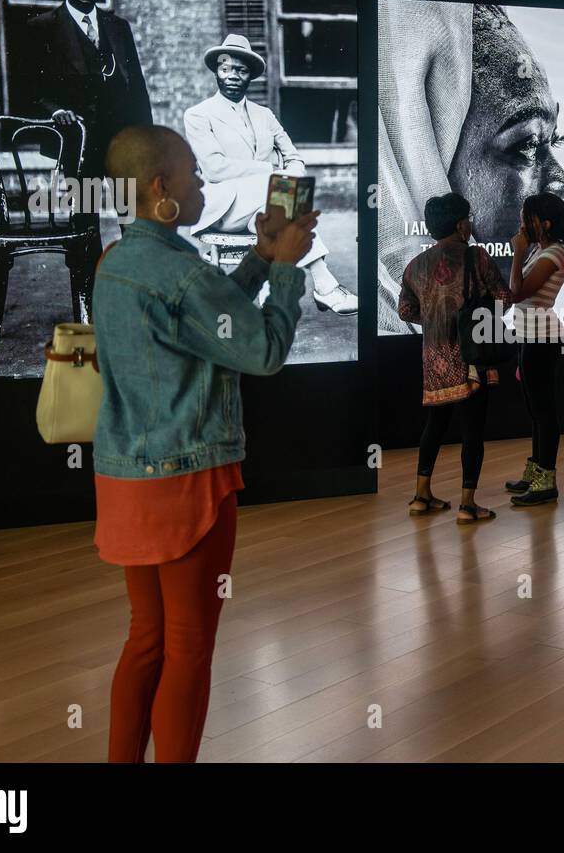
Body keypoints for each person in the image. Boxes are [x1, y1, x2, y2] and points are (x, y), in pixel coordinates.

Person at [93, 124, 317, 762]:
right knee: (189, 648)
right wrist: (286, 272)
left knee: (148, 639)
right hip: (186, 478)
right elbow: (263, 350)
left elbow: (209, 323)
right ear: (161, 187)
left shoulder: (118, 262)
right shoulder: (177, 271)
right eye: (193, 172)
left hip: (127, 478)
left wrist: (259, 258)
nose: (203, 183)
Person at [377, 1, 564, 331]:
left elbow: (407, 311)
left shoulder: (415, 275)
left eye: (553, 140)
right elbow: (511, 294)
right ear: (422, 155)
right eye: (526, 143)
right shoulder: (479, 272)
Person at [183, 34, 357, 315]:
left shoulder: (265, 115)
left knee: (281, 202)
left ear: (250, 75)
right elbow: (215, 168)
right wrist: (270, 171)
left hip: (263, 209)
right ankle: (324, 285)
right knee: (282, 194)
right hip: (223, 209)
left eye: (240, 70)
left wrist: (285, 176)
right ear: (216, 70)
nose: (232, 76)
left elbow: (295, 159)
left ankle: (277, 296)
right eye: (225, 68)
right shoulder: (198, 115)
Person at [398, 193, 510, 524]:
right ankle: (467, 504)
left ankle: (421, 496)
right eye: (469, 219)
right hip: (471, 358)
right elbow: (505, 298)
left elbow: (405, 310)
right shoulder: (477, 257)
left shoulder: (415, 265)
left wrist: (434, 319)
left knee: (435, 426)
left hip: (434, 362)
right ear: (462, 225)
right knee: (472, 430)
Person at [26, 0, 152, 179]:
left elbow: (137, 88)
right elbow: (31, 88)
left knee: (131, 209)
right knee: (85, 210)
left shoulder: (118, 27)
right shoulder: (44, 27)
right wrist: (57, 111)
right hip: (79, 140)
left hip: (121, 140)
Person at [503, 194, 564, 506]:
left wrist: (517, 253)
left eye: (528, 218)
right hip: (530, 336)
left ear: (545, 223)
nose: (523, 224)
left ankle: (546, 478)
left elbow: (518, 291)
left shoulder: (553, 252)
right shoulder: (543, 249)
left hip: (542, 338)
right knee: (535, 410)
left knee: (544, 411)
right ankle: (536, 470)